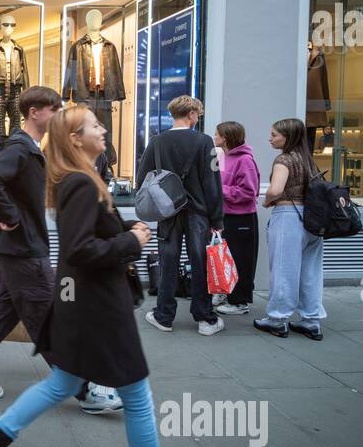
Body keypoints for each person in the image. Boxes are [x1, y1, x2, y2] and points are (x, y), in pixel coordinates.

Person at [0, 105, 213, 447]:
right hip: (98, 308)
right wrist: (130, 241)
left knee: (65, 382)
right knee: (136, 396)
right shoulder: (79, 183)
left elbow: (88, 238)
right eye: (94, 125)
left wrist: (123, 228)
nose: (103, 128)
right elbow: (79, 251)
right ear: (76, 140)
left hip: (88, 305)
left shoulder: (82, 179)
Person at [0, 87, 121, 414]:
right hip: (24, 250)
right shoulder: (20, 149)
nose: (58, 115)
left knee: (4, 309)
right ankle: (86, 390)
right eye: (53, 109)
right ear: (35, 112)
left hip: (22, 247)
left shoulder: (28, 148)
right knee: (49, 319)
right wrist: (10, 217)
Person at [136, 95, 225, 336]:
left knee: (168, 264)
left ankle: (164, 316)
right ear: (192, 114)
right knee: (200, 264)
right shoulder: (205, 142)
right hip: (198, 213)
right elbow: (212, 183)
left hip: (168, 212)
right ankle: (205, 318)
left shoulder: (157, 141)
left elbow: (142, 178)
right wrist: (217, 219)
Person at [254, 118, 325, 339]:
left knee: (284, 269)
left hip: (288, 216)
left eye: (274, 134)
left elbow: (275, 190)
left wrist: (266, 201)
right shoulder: (308, 160)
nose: (270, 138)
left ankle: (277, 318)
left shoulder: (283, 160)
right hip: (313, 219)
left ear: (288, 137)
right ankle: (311, 320)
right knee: (310, 271)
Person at [213, 120, 260, 315]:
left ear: (225, 137)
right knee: (226, 258)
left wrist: (219, 189)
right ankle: (228, 293)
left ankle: (240, 302)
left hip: (242, 218)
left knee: (242, 260)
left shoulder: (245, 160)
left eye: (217, 134)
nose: (214, 137)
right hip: (227, 216)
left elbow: (249, 191)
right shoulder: (224, 156)